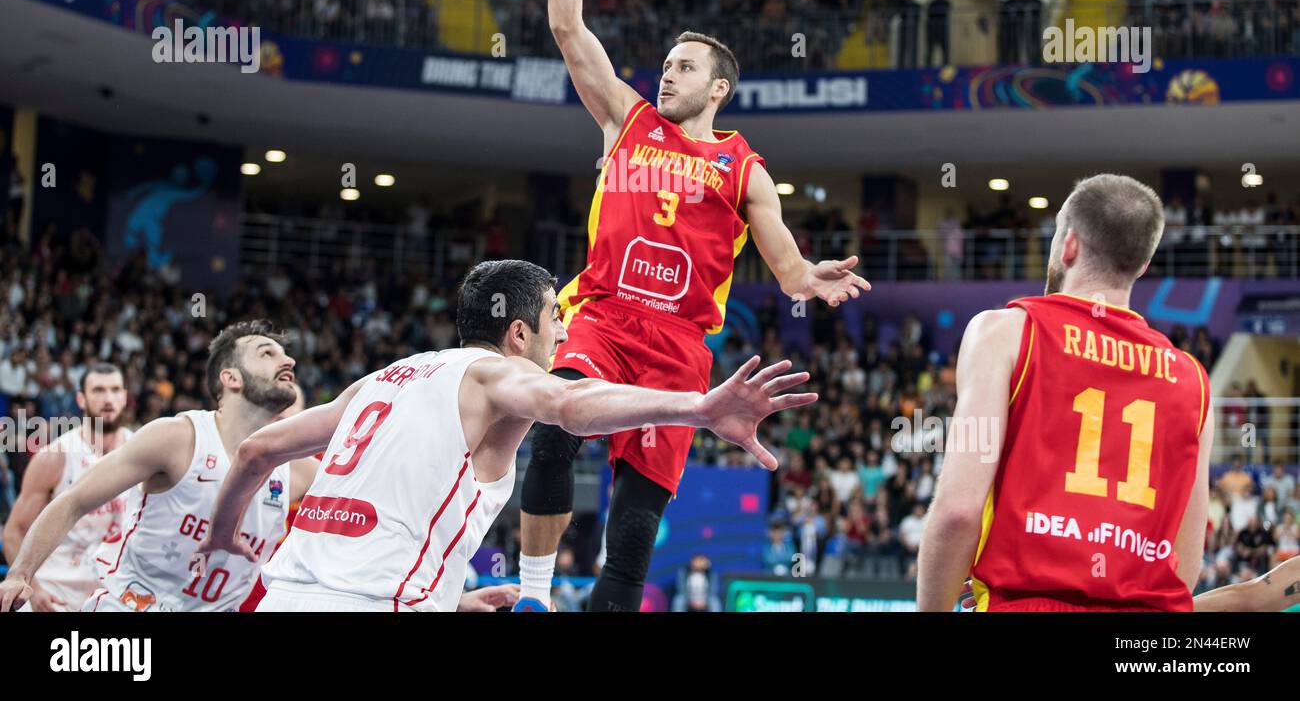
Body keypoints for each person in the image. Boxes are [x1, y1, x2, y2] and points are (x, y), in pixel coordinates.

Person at [516, 0, 870, 613]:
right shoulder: (626, 120)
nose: (666, 75)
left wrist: (806, 277)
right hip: (605, 318)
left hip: (679, 347)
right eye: (666, 63)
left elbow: (781, 258)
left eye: (684, 68)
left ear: (718, 89)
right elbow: (567, 29)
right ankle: (533, 598)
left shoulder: (744, 167)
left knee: (636, 527)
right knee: (553, 429)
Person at [190, 260, 813, 612]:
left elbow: (257, 451)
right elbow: (572, 403)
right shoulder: (496, 378)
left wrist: (222, 539)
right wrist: (698, 409)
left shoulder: (381, 380)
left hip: (285, 598)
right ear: (519, 334)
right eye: (554, 319)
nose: (564, 337)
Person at [918, 174, 1213, 611]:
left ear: (1069, 245)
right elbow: (1183, 564)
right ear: (1141, 264)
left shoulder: (1005, 332)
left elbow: (959, 512)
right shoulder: (1192, 378)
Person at [0, 321, 317, 612]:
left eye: (286, 354)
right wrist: (21, 574)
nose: (288, 360)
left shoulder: (299, 469)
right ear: (231, 377)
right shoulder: (176, 438)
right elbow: (72, 501)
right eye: (268, 353)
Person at [3, 365, 132, 611]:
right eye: (98, 390)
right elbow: (13, 532)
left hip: (116, 594)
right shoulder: (55, 455)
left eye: (115, 390)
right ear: (81, 399)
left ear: (125, 397)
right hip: (55, 593)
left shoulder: (144, 451)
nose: (108, 398)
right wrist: (35, 591)